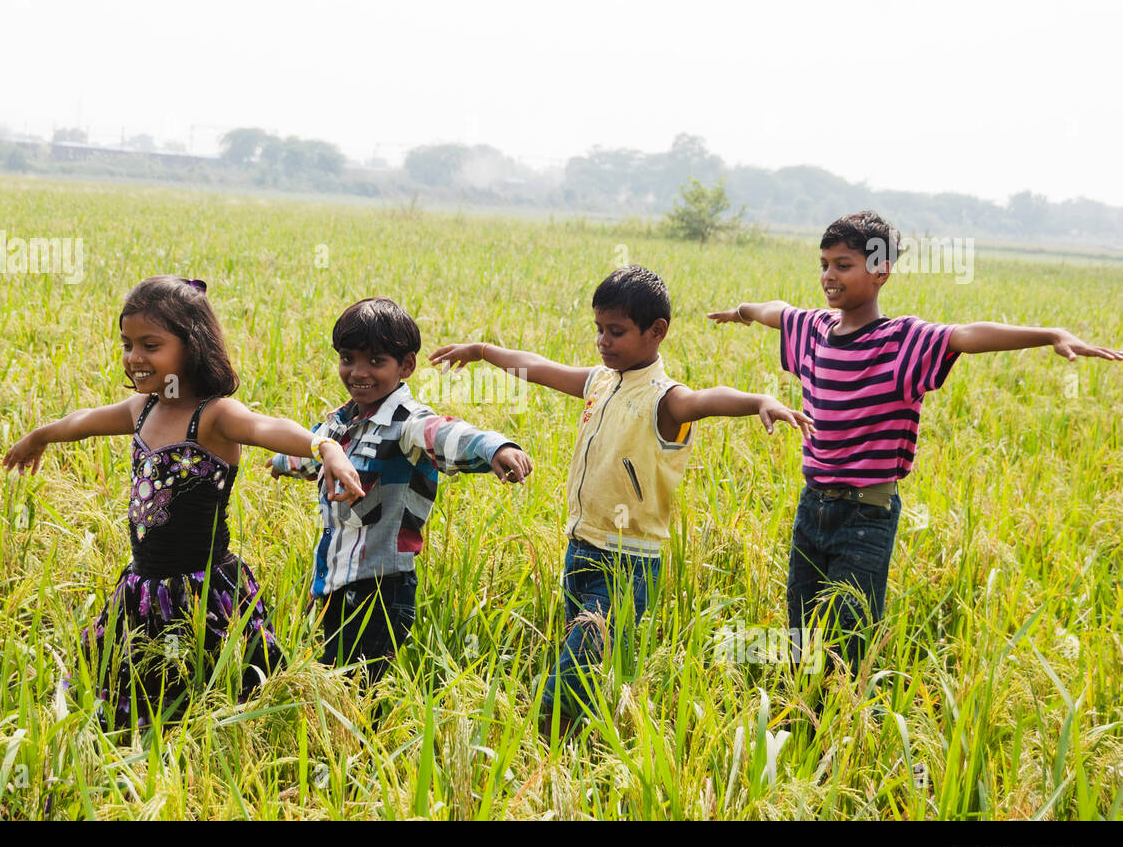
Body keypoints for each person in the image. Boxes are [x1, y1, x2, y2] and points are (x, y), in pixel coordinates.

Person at [708, 210, 1123, 677]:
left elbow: (966, 335)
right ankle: (805, 724)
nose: (828, 276)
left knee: (847, 642)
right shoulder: (813, 329)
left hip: (867, 511)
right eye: (824, 264)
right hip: (813, 506)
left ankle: (846, 731)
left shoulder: (902, 340)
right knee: (801, 634)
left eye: (843, 265)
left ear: (880, 271)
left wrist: (1051, 335)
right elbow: (776, 311)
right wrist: (742, 312)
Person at [431, 265, 812, 729]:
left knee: (565, 687)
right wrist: (484, 351)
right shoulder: (600, 381)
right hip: (581, 548)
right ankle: (578, 756)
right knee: (590, 675)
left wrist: (758, 402)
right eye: (599, 329)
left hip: (627, 565)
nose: (603, 341)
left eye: (616, 331)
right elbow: (541, 369)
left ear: (657, 332)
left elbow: (709, 399)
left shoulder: (665, 399)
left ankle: (548, 746)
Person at [3, 275, 363, 729]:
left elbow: (267, 427)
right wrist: (40, 436)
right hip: (143, 587)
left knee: (213, 697)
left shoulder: (213, 415)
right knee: (131, 697)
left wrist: (324, 447)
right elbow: (85, 421)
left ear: (191, 346)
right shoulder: (144, 408)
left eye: (151, 345)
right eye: (127, 344)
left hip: (202, 590)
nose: (135, 357)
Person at [268, 297, 533, 687]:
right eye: (348, 359)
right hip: (332, 584)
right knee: (330, 684)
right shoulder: (339, 423)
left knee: (359, 693)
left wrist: (494, 447)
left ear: (405, 365)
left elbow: (445, 433)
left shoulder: (407, 424)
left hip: (381, 592)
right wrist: (279, 463)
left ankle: (360, 747)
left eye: (376, 361)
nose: (358, 372)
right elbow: (311, 455)